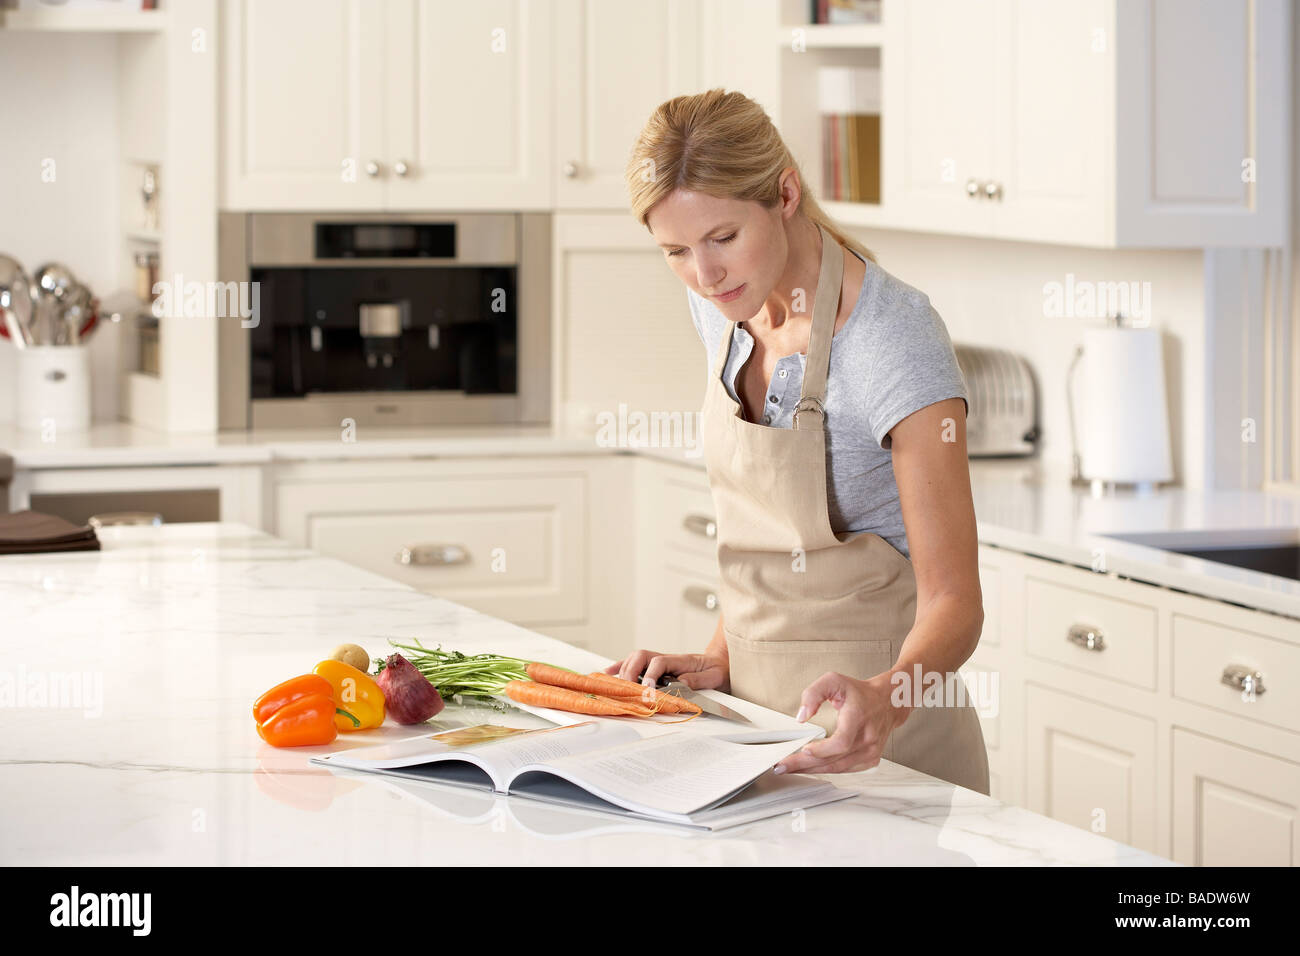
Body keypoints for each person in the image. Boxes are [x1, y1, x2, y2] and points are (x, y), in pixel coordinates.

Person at [607, 88, 990, 794]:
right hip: (758, 738)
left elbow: (955, 603)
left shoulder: (891, 340)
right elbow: (773, 536)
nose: (704, 274)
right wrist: (719, 658)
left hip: (889, 751)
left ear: (785, 193)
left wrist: (887, 699)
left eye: (722, 238)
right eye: (676, 251)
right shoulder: (721, 305)